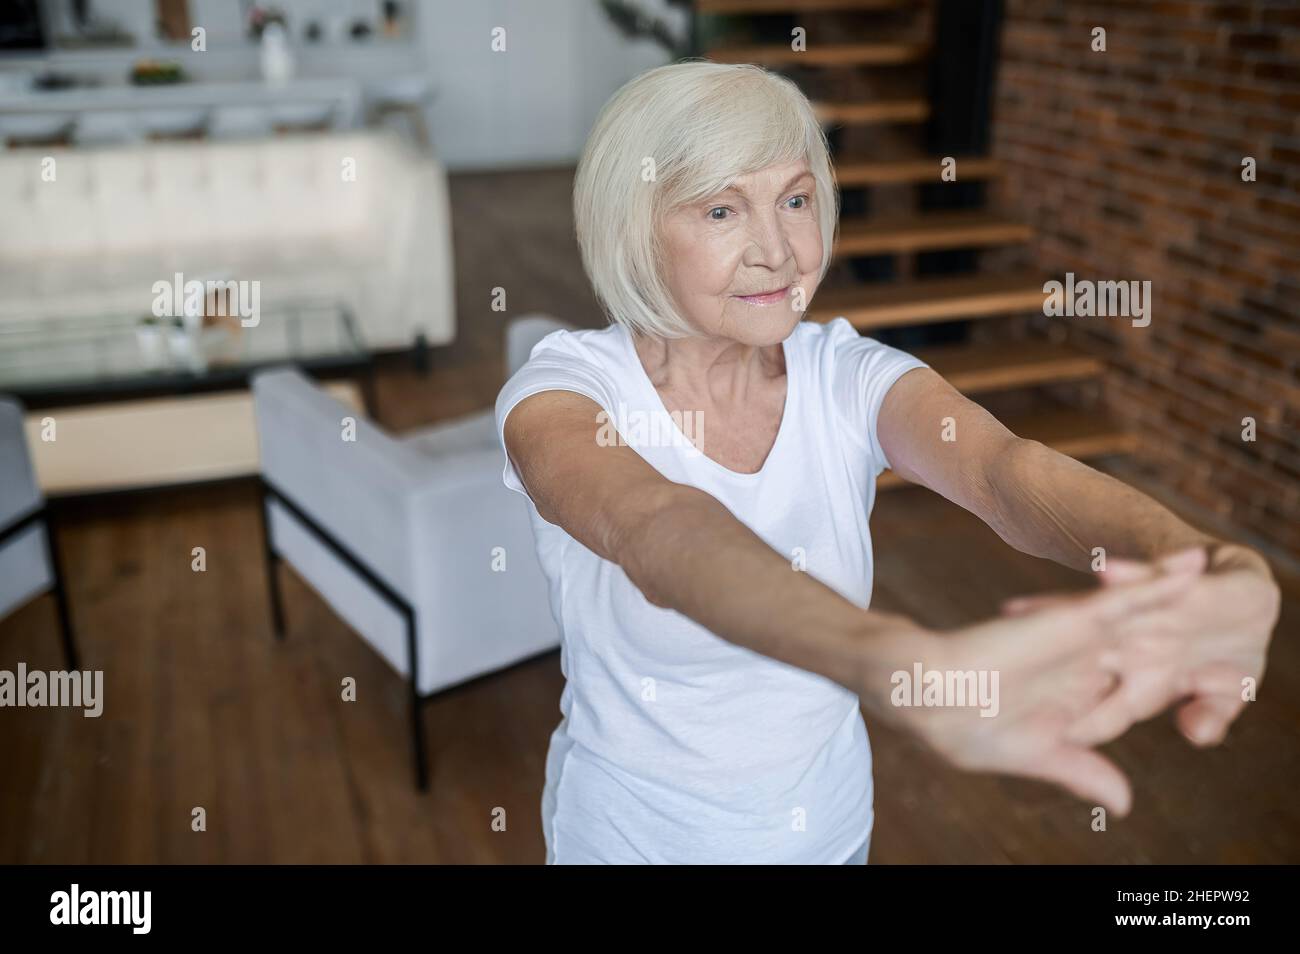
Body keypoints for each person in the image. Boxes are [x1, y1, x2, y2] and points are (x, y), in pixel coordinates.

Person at [494, 61, 1280, 864]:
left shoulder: (846, 374)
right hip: (634, 841)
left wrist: (1207, 561)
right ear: (633, 224)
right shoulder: (562, 393)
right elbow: (657, 527)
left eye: (796, 200)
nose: (778, 250)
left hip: (828, 831)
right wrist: (901, 664)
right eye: (723, 209)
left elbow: (1003, 471)